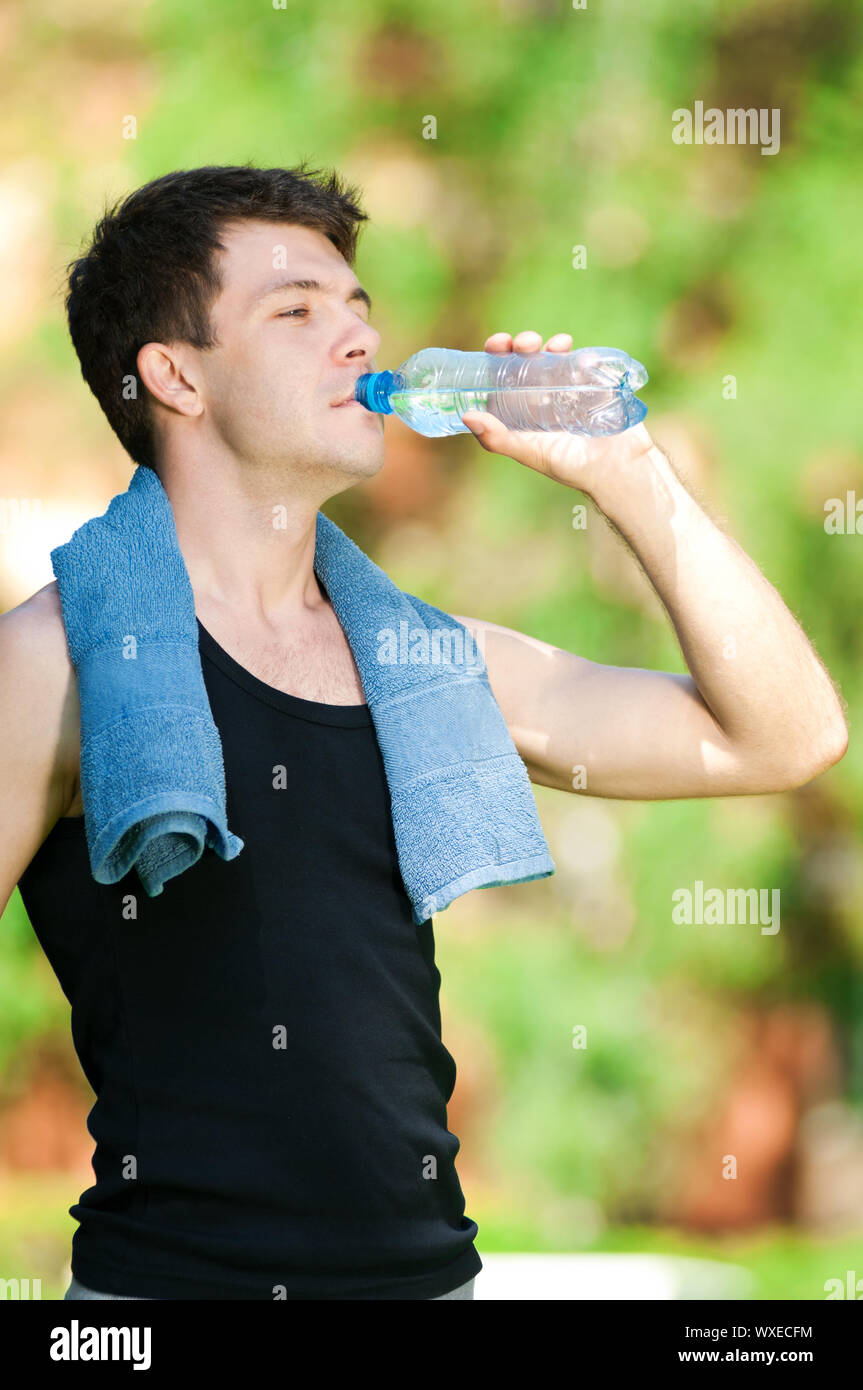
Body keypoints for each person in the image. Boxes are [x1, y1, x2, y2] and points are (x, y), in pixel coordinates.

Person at [0, 164, 848, 1301]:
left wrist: (624, 471)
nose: (356, 337)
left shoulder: (431, 662)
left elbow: (781, 738)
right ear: (174, 375)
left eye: (358, 308)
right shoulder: (59, 661)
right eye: (297, 310)